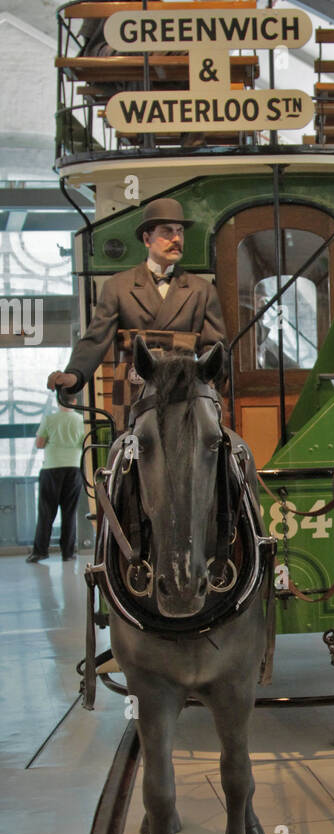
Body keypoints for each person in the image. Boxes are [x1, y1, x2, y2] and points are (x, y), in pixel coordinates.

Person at [46, 197, 226, 401]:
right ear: (147, 239)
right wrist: (74, 375)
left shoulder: (201, 290)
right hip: (135, 386)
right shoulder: (118, 287)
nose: (176, 239)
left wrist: (213, 385)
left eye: (179, 231)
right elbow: (96, 339)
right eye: (167, 232)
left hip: (184, 387)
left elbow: (214, 348)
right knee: (132, 432)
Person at [27, 395, 84, 563]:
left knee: (46, 512)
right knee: (69, 513)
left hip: (51, 468)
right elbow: (84, 444)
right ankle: (67, 553)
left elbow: (39, 443)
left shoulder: (50, 419)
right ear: (74, 401)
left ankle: (40, 551)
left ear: (59, 401)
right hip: (74, 469)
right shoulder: (81, 421)